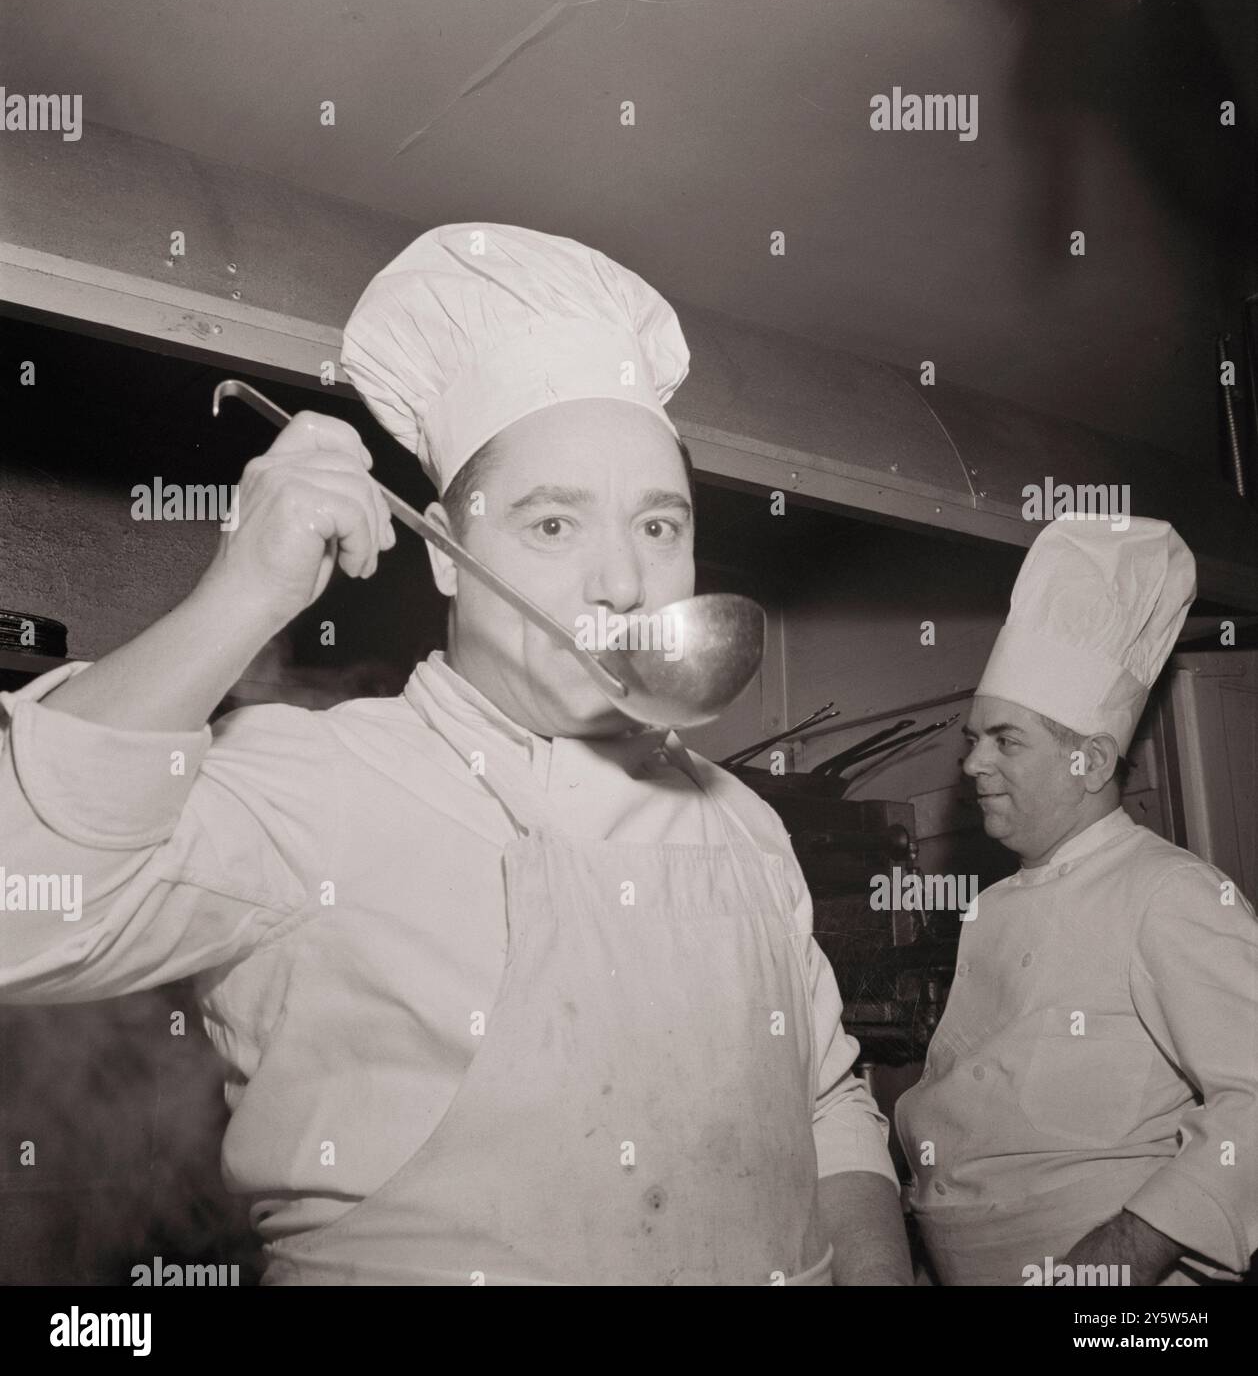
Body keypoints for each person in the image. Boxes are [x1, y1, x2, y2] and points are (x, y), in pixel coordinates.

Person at [0, 222, 910, 1286]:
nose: (622, 580)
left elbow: (822, 1096)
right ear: (444, 551)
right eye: (554, 526)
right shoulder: (318, 783)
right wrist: (244, 591)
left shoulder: (740, 823)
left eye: (658, 527)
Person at [896, 516, 1258, 1286]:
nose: (973, 764)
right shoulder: (992, 906)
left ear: (1089, 760)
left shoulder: (1171, 893)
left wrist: (1123, 1254)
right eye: (972, 739)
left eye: (1004, 739)